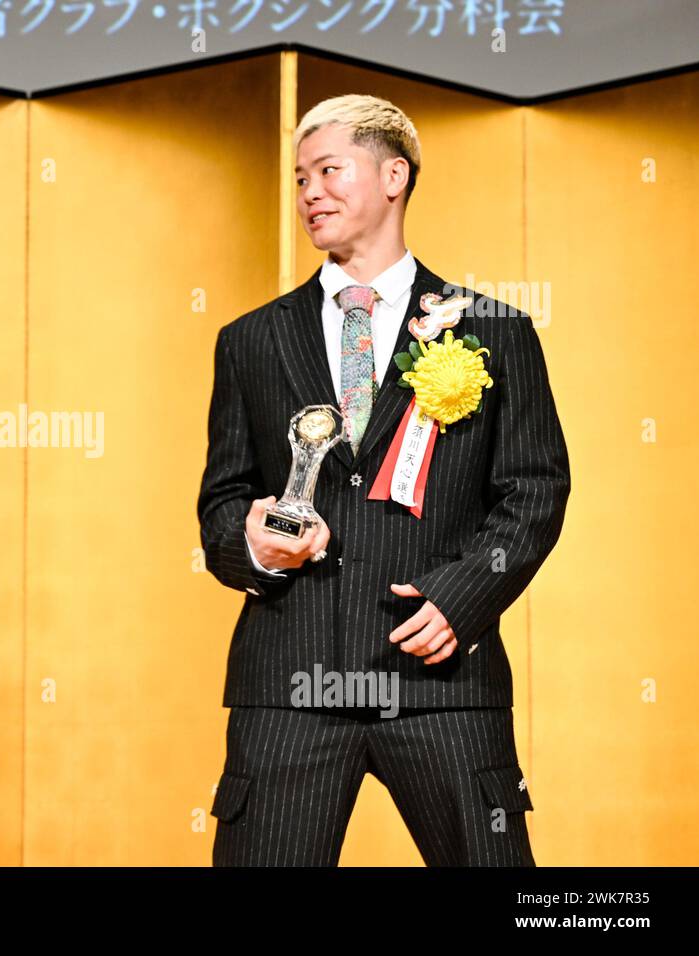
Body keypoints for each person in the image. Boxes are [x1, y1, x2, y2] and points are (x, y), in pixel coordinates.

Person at [197, 94, 570, 866]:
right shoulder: (250, 340)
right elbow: (222, 502)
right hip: (290, 682)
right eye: (299, 179)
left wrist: (463, 601)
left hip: (441, 677)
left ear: (394, 174)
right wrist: (257, 546)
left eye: (328, 171)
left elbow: (535, 489)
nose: (308, 194)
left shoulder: (493, 330)